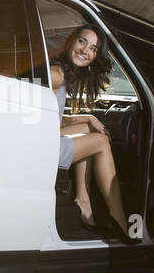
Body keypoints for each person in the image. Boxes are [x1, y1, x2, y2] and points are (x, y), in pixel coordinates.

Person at [50, 24, 134, 242]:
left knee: (92, 130)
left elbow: (51, 119)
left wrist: (88, 117)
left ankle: (83, 201)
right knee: (100, 142)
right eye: (82, 42)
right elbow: (35, 85)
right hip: (42, 146)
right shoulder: (56, 74)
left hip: (45, 135)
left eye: (93, 49)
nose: (85, 51)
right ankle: (119, 220)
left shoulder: (61, 71)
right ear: (71, 41)